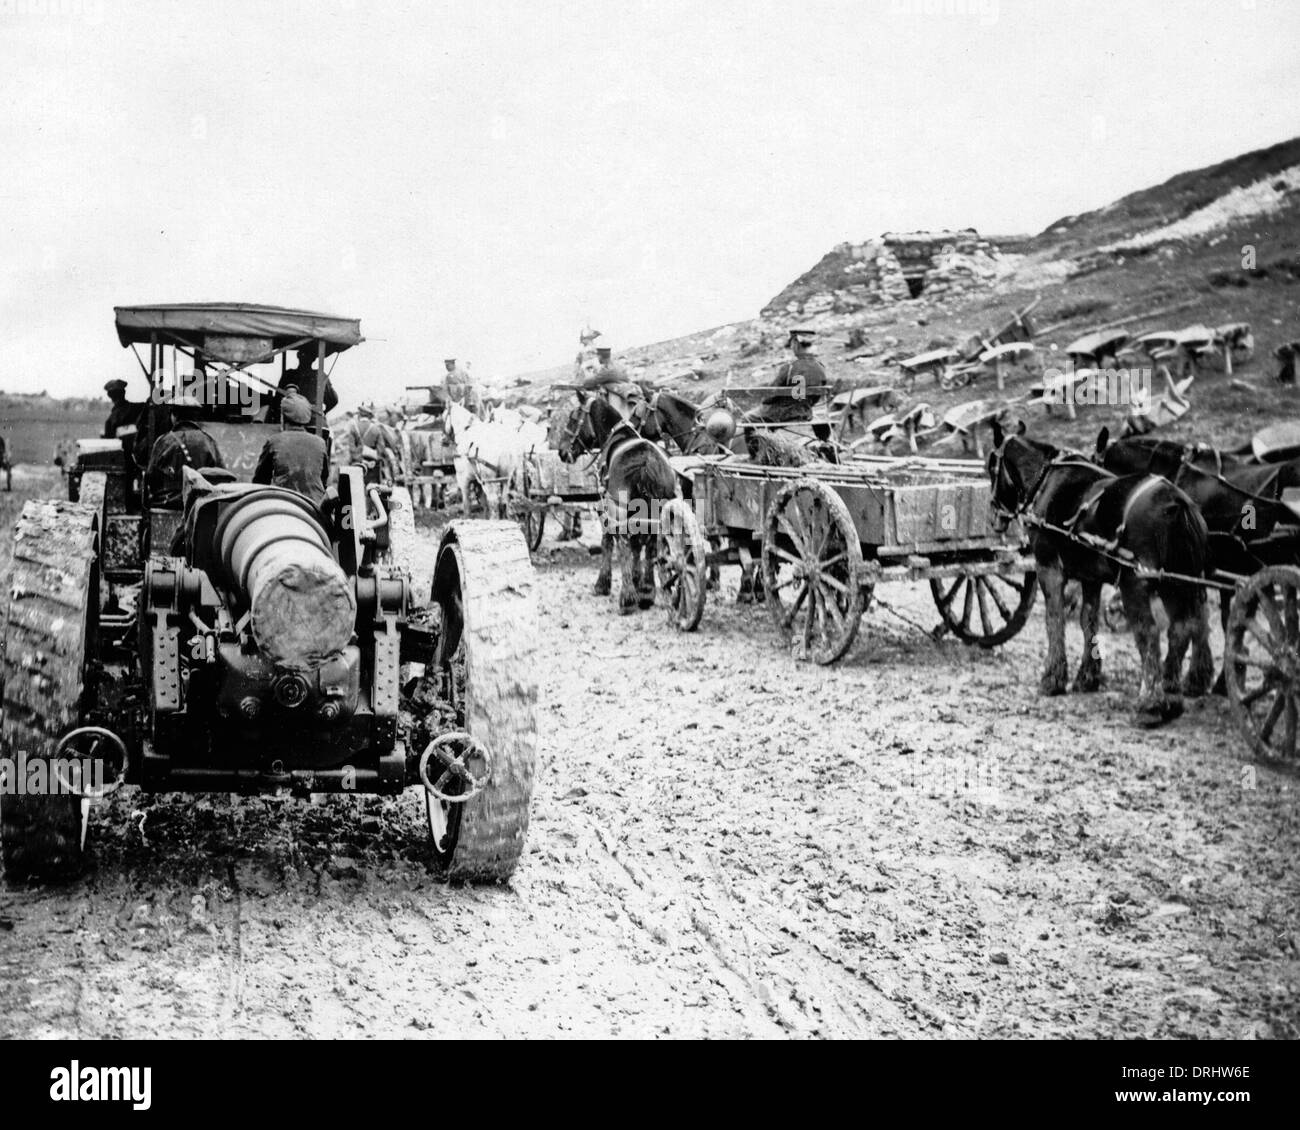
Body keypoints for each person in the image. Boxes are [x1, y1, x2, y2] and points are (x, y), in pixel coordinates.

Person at [145, 392, 225, 508]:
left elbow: (150, 477)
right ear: (195, 417)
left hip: (168, 504)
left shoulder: (163, 441)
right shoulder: (209, 441)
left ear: (174, 416)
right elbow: (221, 475)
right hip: (200, 505)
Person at [253, 391, 331, 508]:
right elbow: (324, 479)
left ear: (282, 417)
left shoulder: (274, 441)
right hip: (315, 507)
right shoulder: (320, 443)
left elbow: (260, 481)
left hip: (283, 504)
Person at [745, 328, 826, 425]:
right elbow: (817, 397)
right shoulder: (820, 368)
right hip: (805, 413)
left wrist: (765, 402)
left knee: (747, 418)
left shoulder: (789, 368)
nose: (791, 347)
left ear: (796, 344)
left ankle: (757, 440)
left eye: (791, 344)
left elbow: (771, 395)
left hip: (780, 415)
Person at [278, 348, 338, 427]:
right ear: (313, 359)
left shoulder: (288, 374)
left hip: (292, 422)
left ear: (298, 356)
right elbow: (333, 400)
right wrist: (323, 412)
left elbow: (278, 400)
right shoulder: (320, 375)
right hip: (315, 422)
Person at [581, 346, 643, 416]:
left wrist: (584, 369)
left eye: (598, 356)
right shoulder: (615, 365)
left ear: (600, 357)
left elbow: (588, 383)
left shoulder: (607, 370)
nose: (597, 358)